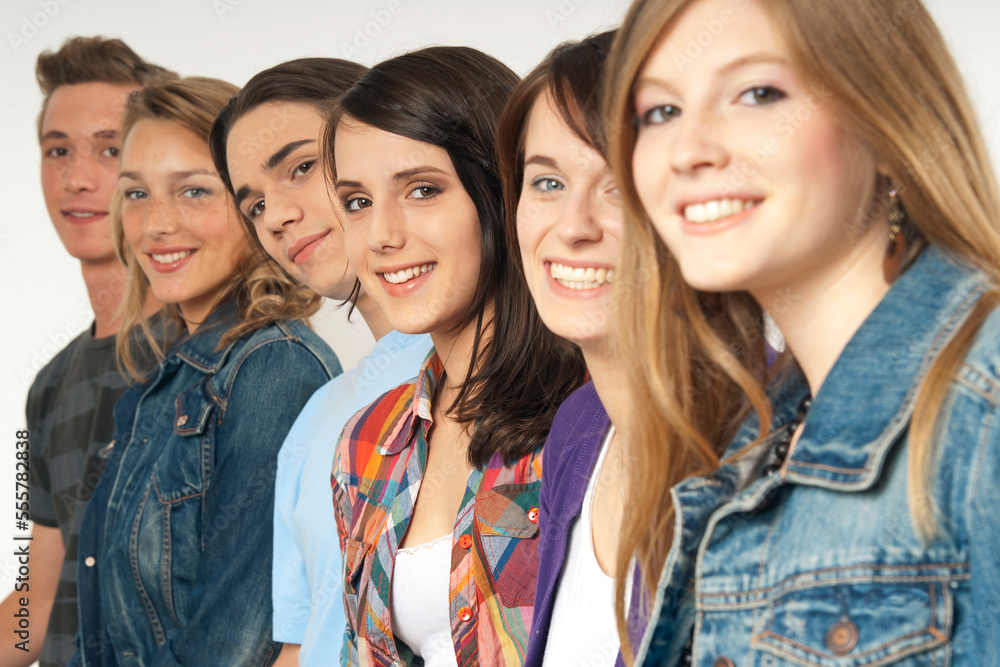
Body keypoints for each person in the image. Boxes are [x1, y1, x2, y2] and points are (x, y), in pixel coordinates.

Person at [604, 0, 1000, 664]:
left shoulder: (983, 402)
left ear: (888, 126)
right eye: (660, 112)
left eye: (758, 93)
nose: (689, 150)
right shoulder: (758, 440)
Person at [329, 46, 587, 665]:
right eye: (358, 202)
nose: (384, 236)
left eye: (422, 190)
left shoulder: (591, 414)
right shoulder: (366, 443)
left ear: (500, 191)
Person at [70, 76, 341, 665]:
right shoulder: (158, 385)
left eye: (193, 192)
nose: (155, 224)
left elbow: (239, 643)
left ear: (252, 206)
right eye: (136, 193)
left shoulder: (273, 370)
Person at [209, 57, 433, 666]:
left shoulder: (499, 362)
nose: (276, 217)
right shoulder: (314, 419)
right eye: (253, 205)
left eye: (301, 168)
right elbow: (300, 645)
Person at [16, 36, 171, 667]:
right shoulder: (49, 386)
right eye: (58, 151)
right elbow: (36, 600)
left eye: (109, 149)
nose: (76, 178)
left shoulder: (224, 357)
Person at [496, 31, 640, 666]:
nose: (574, 226)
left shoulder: (771, 443)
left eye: (617, 186)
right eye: (547, 182)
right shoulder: (579, 428)